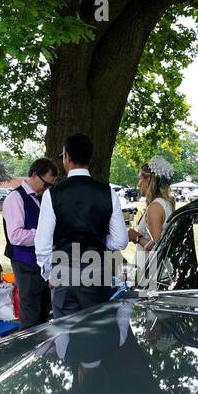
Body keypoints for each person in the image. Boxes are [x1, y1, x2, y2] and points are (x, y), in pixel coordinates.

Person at [34, 134, 128, 318]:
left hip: (63, 271)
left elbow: (42, 243)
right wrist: (101, 239)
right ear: (89, 159)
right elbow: (120, 241)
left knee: (64, 335)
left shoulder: (53, 194)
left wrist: (48, 274)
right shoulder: (107, 193)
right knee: (95, 335)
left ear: (66, 157)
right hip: (96, 272)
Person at [2, 158, 58, 328]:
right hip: (25, 264)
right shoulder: (15, 198)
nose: (47, 189)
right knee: (30, 317)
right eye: (46, 184)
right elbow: (15, 236)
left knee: (44, 314)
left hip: (44, 265)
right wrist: (44, 235)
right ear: (34, 175)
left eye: (51, 186)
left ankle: (43, 352)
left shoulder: (43, 199)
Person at [128, 158, 175, 253]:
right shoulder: (165, 203)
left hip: (152, 266)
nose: (138, 184)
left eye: (140, 179)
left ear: (149, 179)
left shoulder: (155, 207)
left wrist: (136, 237)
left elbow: (158, 248)